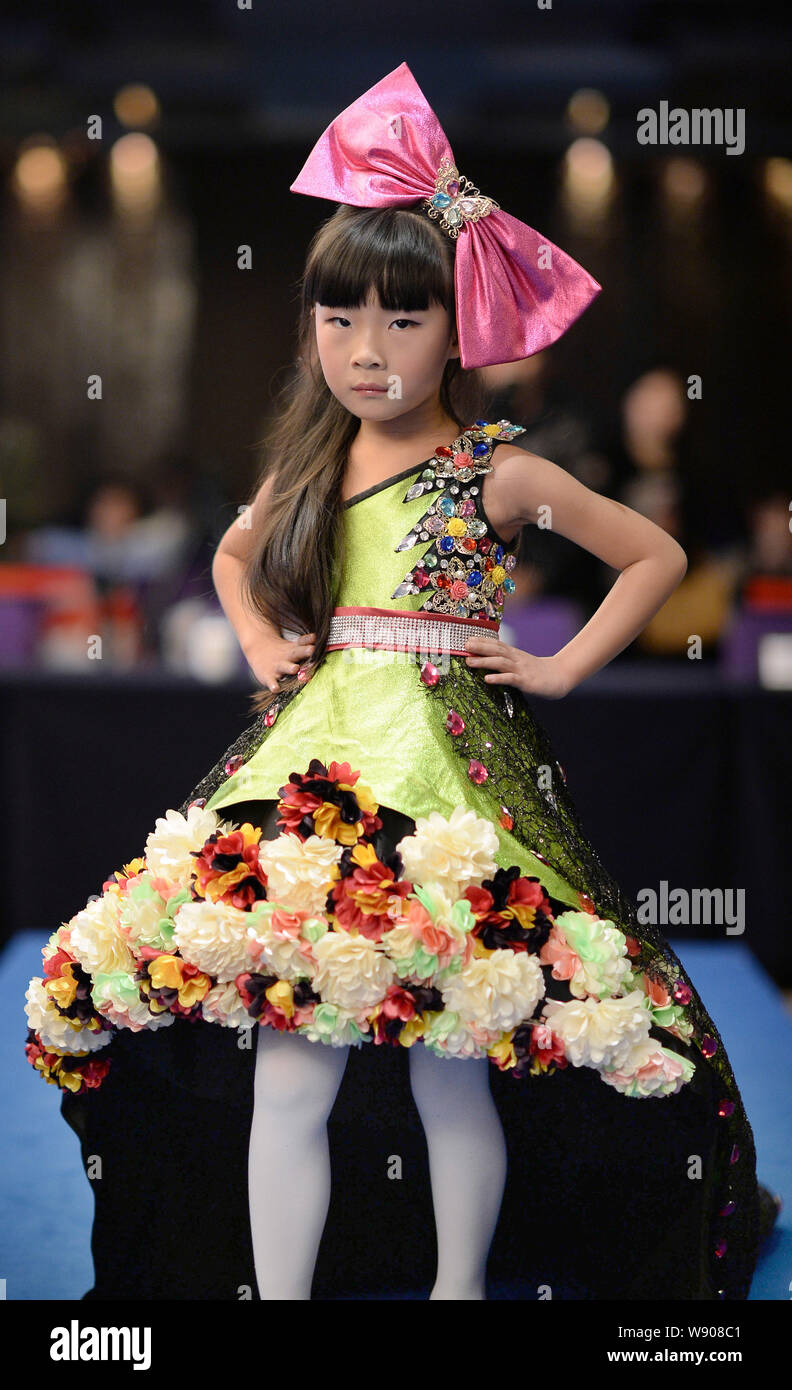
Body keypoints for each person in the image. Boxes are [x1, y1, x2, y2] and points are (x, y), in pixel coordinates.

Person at [25, 62, 765, 1302]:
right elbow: (231, 553)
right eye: (338, 320)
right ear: (310, 326)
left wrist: (559, 665)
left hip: (450, 773)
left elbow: (657, 555)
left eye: (403, 321)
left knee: (453, 1058)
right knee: (289, 1069)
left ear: (458, 325)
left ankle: (460, 1290)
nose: (367, 352)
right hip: (311, 762)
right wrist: (264, 647)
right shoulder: (313, 458)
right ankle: (279, 1291)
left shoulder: (496, 469)